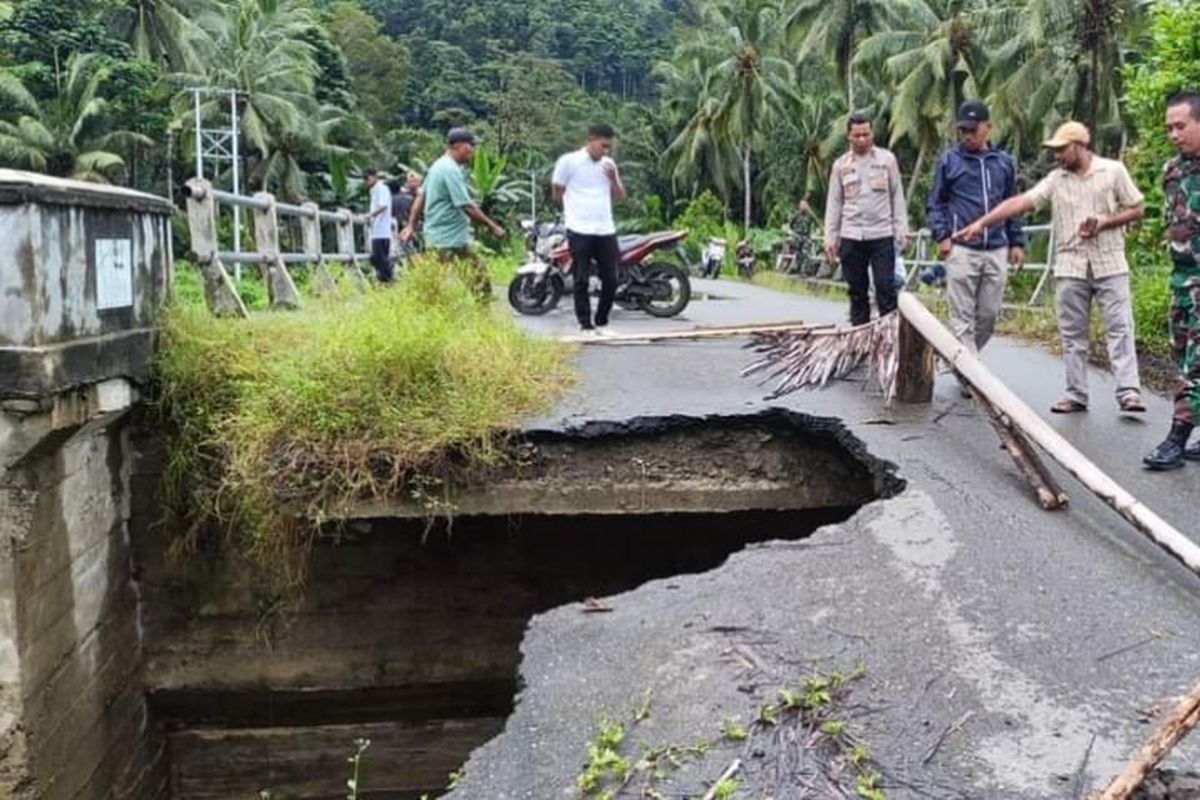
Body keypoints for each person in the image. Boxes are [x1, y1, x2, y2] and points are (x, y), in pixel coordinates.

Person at [955, 121, 1147, 415]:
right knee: (1072, 335)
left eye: (1062, 149)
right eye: (1055, 150)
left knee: (1120, 328)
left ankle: (1129, 392)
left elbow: (1137, 207)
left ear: (1080, 145)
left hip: (1110, 262)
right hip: (1070, 264)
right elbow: (1021, 202)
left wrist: (1104, 222)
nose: (1057, 156)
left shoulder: (1113, 171)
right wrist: (982, 223)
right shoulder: (1056, 180)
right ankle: (1076, 393)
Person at [928, 100, 1026, 355]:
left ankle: (963, 362)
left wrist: (1016, 242)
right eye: (963, 130)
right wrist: (942, 236)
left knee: (989, 316)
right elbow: (935, 202)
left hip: (996, 248)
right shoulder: (949, 161)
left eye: (973, 129)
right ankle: (971, 376)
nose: (967, 135)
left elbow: (1012, 204)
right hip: (962, 250)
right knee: (961, 319)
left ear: (988, 128)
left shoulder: (1003, 162)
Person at [1144, 90, 1200, 470]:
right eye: (1169, 128)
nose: (1174, 134)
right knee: (1181, 353)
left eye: (1181, 126)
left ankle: (1176, 438)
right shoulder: (1172, 170)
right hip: (1181, 278)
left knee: (1196, 363)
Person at [823, 111, 909, 326]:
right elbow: (834, 204)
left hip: (881, 234)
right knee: (857, 291)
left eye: (866, 134)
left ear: (872, 133)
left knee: (885, 288)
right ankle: (860, 339)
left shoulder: (887, 160)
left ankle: (888, 338)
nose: (862, 140)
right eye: (857, 135)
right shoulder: (840, 166)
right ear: (849, 137)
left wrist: (901, 228)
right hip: (852, 235)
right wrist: (830, 238)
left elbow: (897, 195)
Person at [400, 128, 505, 301]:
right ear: (457, 146)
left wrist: (411, 225)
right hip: (447, 239)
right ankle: (426, 312)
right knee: (441, 281)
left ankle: (481, 311)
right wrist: (493, 226)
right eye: (469, 147)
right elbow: (466, 205)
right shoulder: (450, 169)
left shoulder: (437, 166)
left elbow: (421, 196)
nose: (472, 152)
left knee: (475, 274)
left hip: (445, 237)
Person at [551, 123, 625, 336]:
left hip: (605, 228)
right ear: (591, 140)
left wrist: (612, 180)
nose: (606, 151)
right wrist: (571, 208)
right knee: (581, 278)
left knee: (611, 278)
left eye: (609, 147)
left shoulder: (609, 164)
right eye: (603, 146)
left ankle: (602, 321)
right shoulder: (569, 162)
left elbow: (619, 196)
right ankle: (585, 325)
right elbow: (557, 190)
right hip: (579, 228)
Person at [365, 169, 394, 283]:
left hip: (381, 230)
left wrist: (370, 215)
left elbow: (383, 205)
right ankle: (385, 281)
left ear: (374, 177)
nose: (366, 181)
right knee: (377, 258)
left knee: (381, 259)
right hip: (377, 230)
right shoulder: (374, 190)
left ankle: (388, 281)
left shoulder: (381, 188)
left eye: (368, 178)